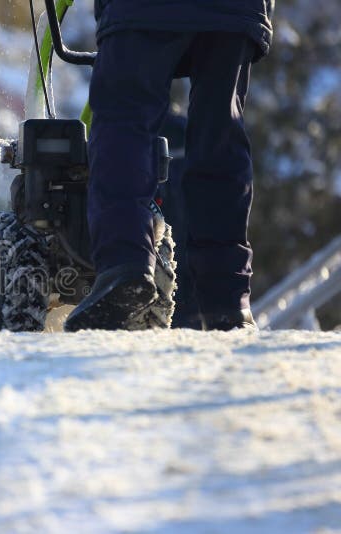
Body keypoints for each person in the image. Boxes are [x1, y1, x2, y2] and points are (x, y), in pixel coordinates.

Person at [64, 0, 275, 332]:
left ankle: (124, 264)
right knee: (221, 138)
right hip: (236, 11)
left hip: (144, 10)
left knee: (125, 121)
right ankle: (228, 299)